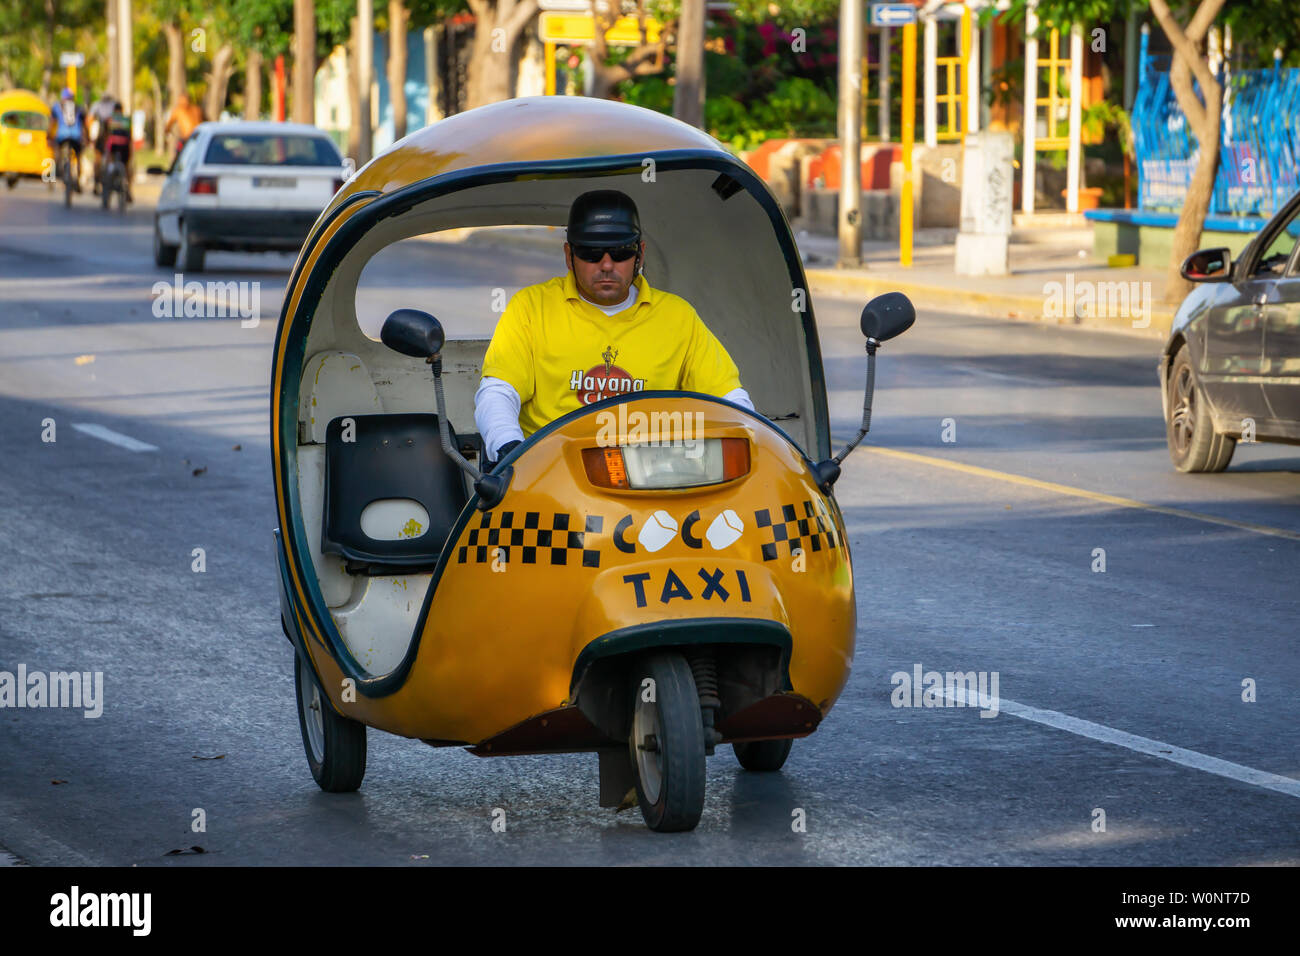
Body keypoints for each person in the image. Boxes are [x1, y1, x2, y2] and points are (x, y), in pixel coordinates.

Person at [474, 190, 754, 464]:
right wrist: (508, 447)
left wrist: (753, 438)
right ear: (569, 254)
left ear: (640, 254)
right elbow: (499, 390)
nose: (606, 265)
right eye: (591, 252)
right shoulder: (531, 307)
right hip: (551, 476)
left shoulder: (678, 316)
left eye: (621, 252)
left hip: (654, 476)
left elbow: (727, 398)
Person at [48, 89, 86, 191]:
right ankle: (77, 179)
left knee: (56, 154)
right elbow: (84, 124)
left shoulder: (57, 106)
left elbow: (52, 122)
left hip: (62, 136)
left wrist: (49, 135)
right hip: (76, 136)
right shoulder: (79, 107)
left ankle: (52, 178)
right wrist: (87, 137)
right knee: (78, 157)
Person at [100, 100, 133, 203]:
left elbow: (105, 134)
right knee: (127, 167)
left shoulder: (109, 119)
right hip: (125, 146)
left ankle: (107, 179)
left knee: (108, 163)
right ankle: (128, 188)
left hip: (113, 145)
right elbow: (130, 137)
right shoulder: (127, 120)